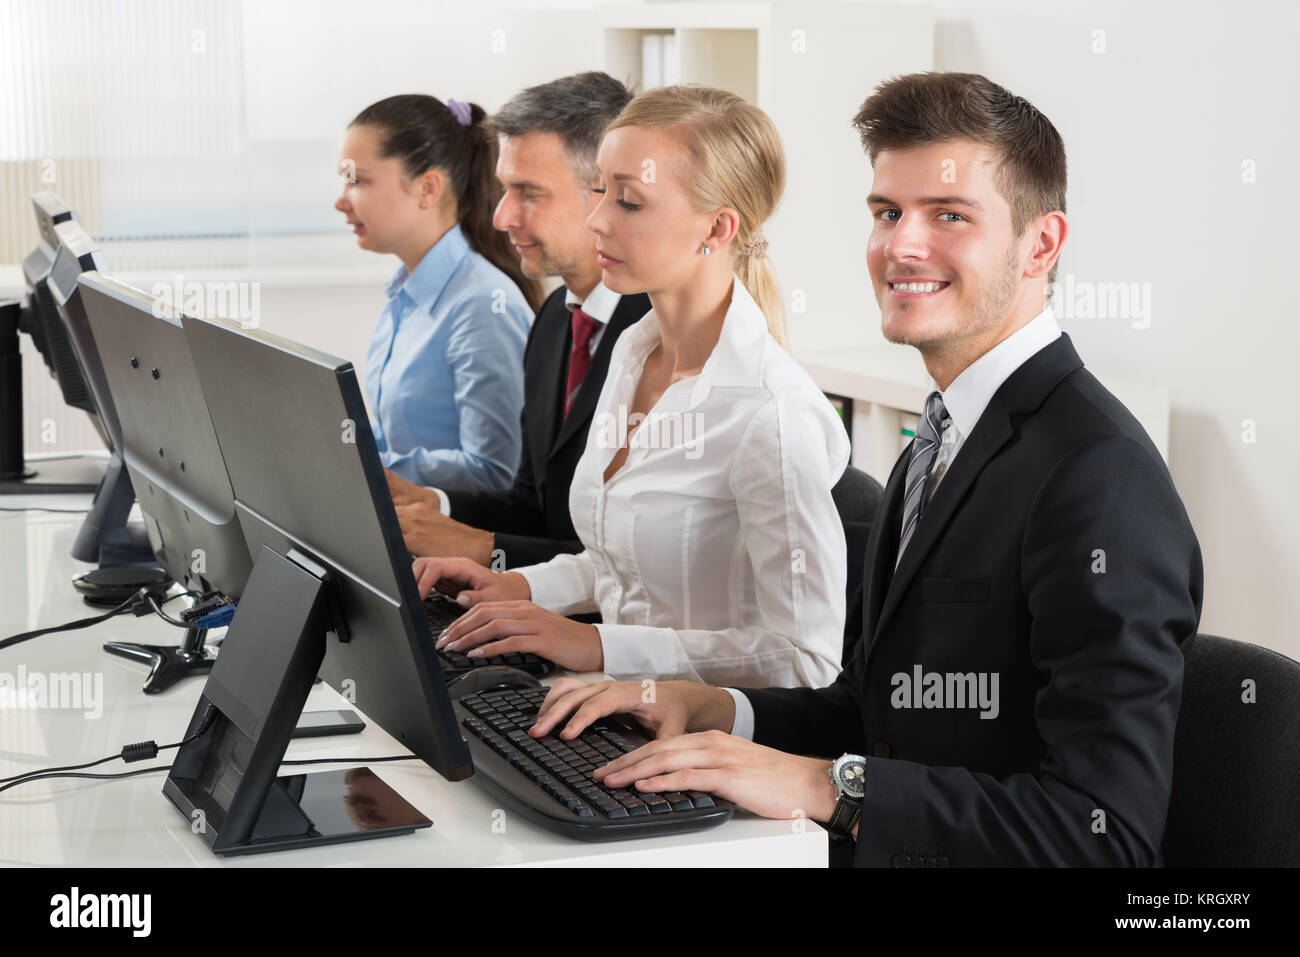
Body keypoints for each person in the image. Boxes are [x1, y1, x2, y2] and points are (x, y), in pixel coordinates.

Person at [527, 72, 1204, 867]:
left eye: (949, 215)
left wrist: (830, 787)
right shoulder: (939, 434)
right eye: (888, 213)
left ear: (1042, 244)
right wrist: (714, 707)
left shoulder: (1098, 477)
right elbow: (878, 710)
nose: (902, 245)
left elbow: (1103, 836)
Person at [413, 85, 850, 689]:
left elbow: (805, 658)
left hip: (702, 745)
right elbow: (624, 564)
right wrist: (518, 585)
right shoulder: (631, 355)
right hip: (612, 708)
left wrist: (597, 645)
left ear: (716, 228)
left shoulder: (770, 413)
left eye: (629, 202)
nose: (596, 220)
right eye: (600, 192)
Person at [384, 72, 652, 569]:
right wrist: (436, 506)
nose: (502, 217)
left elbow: (643, 566)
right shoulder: (554, 319)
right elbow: (535, 507)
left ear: (606, 194)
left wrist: (484, 550)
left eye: (529, 193)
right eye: (504, 190)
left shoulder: (664, 339)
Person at [336, 94, 541, 492]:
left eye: (356, 180)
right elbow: (399, 440)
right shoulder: (403, 294)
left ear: (428, 188)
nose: (340, 201)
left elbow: (495, 472)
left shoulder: (483, 306)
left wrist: (363, 468)